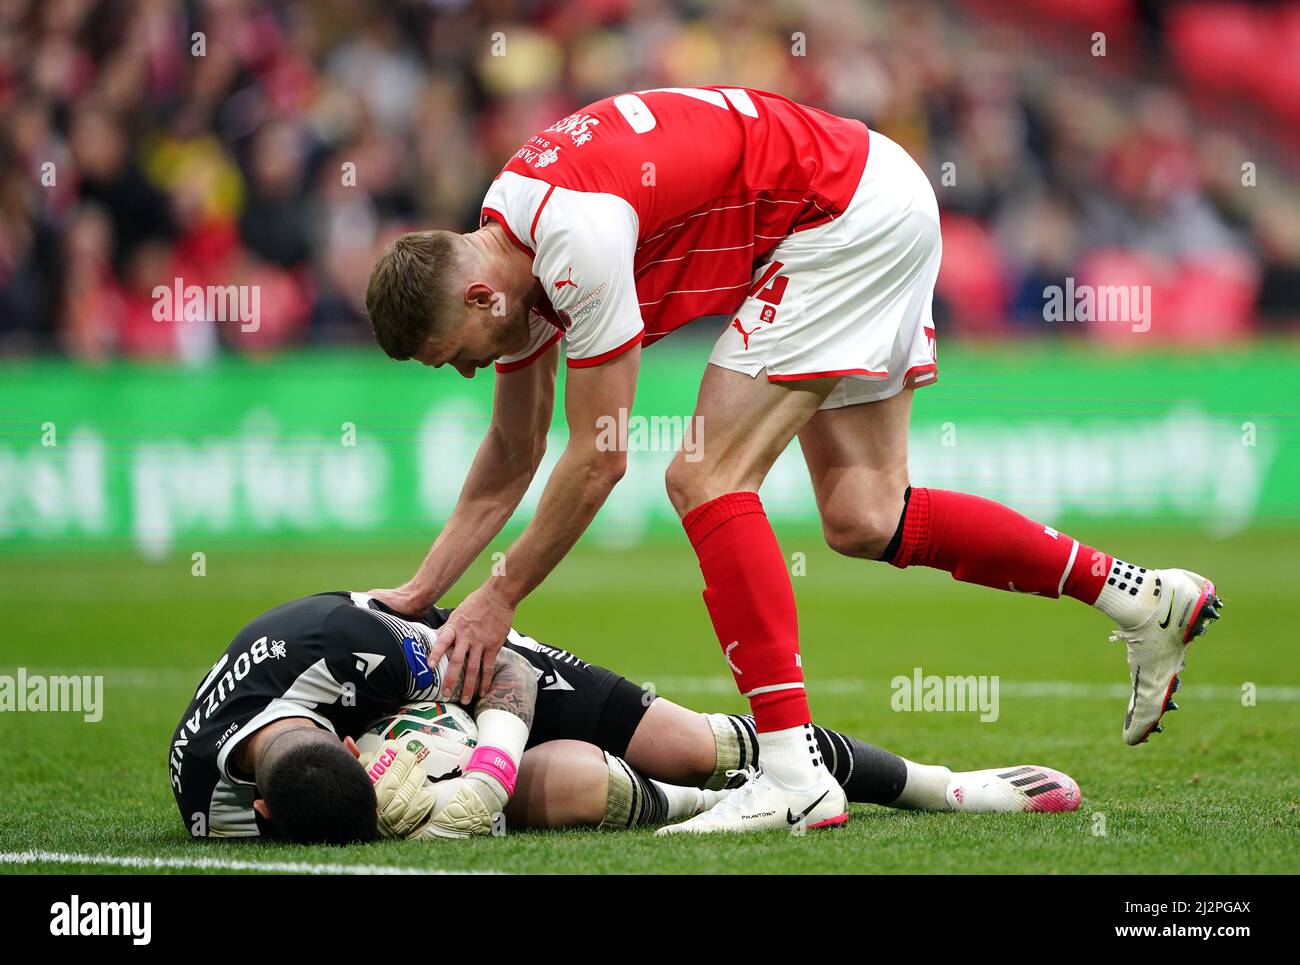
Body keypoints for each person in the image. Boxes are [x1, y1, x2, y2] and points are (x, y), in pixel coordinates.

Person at [363, 85, 1220, 834]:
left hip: (841, 219)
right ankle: (1141, 595)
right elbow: (515, 447)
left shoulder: (570, 243)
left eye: (457, 354)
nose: (471, 370)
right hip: (868, 195)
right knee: (865, 515)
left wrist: (501, 595)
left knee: (704, 476)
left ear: (481, 297)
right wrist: (426, 591)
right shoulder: (506, 255)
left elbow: (598, 455)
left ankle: (792, 775)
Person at [169, 591, 1079, 842]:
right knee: (582, 791)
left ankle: (941, 787)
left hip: (451, 659)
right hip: (374, 738)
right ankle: (710, 812)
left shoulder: (347, 645)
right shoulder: (207, 803)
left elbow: (509, 675)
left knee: (690, 743)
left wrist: (478, 771)